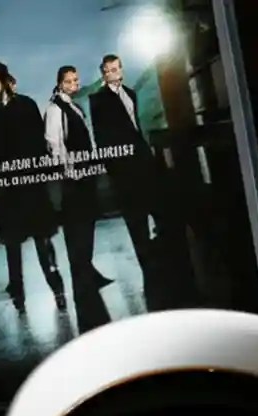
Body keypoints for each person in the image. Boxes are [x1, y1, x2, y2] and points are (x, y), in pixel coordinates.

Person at [0, 62, 65, 311]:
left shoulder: (26, 106)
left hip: (30, 186)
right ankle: (18, 291)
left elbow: (38, 142)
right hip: (6, 191)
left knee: (42, 239)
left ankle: (55, 284)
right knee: (12, 245)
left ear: (5, 80)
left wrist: (41, 174)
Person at [89, 53, 162, 269]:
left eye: (115, 69)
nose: (112, 73)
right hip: (121, 164)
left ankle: (157, 249)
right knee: (133, 213)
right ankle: (144, 257)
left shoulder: (131, 93)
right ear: (103, 73)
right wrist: (111, 166)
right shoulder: (98, 99)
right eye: (107, 70)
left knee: (153, 202)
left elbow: (135, 126)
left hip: (141, 157)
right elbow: (100, 135)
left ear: (121, 70)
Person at [44, 65, 112, 292]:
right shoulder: (56, 108)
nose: (75, 84)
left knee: (87, 222)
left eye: (76, 80)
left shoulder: (74, 105)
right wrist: (69, 170)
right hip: (74, 175)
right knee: (78, 225)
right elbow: (54, 143)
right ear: (61, 83)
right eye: (70, 81)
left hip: (85, 171)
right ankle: (82, 274)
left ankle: (86, 270)